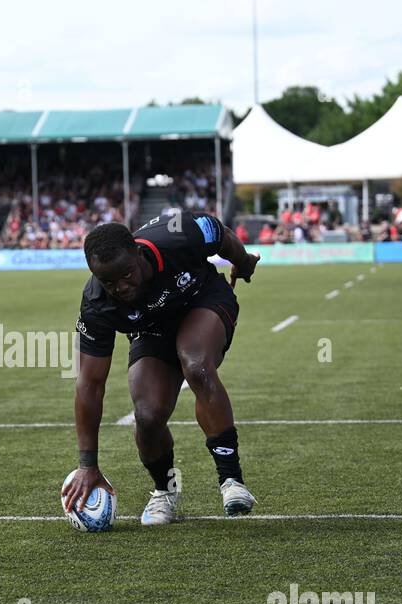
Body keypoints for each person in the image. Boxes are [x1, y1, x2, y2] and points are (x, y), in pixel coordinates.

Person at [62, 211, 261, 525]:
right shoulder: (97, 304)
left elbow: (219, 234)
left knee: (196, 364)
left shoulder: (179, 234)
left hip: (203, 299)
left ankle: (231, 481)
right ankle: (165, 491)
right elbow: (89, 383)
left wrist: (244, 261)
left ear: (139, 255)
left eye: (126, 274)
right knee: (148, 415)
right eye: (108, 281)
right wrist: (87, 464)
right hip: (153, 328)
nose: (121, 287)